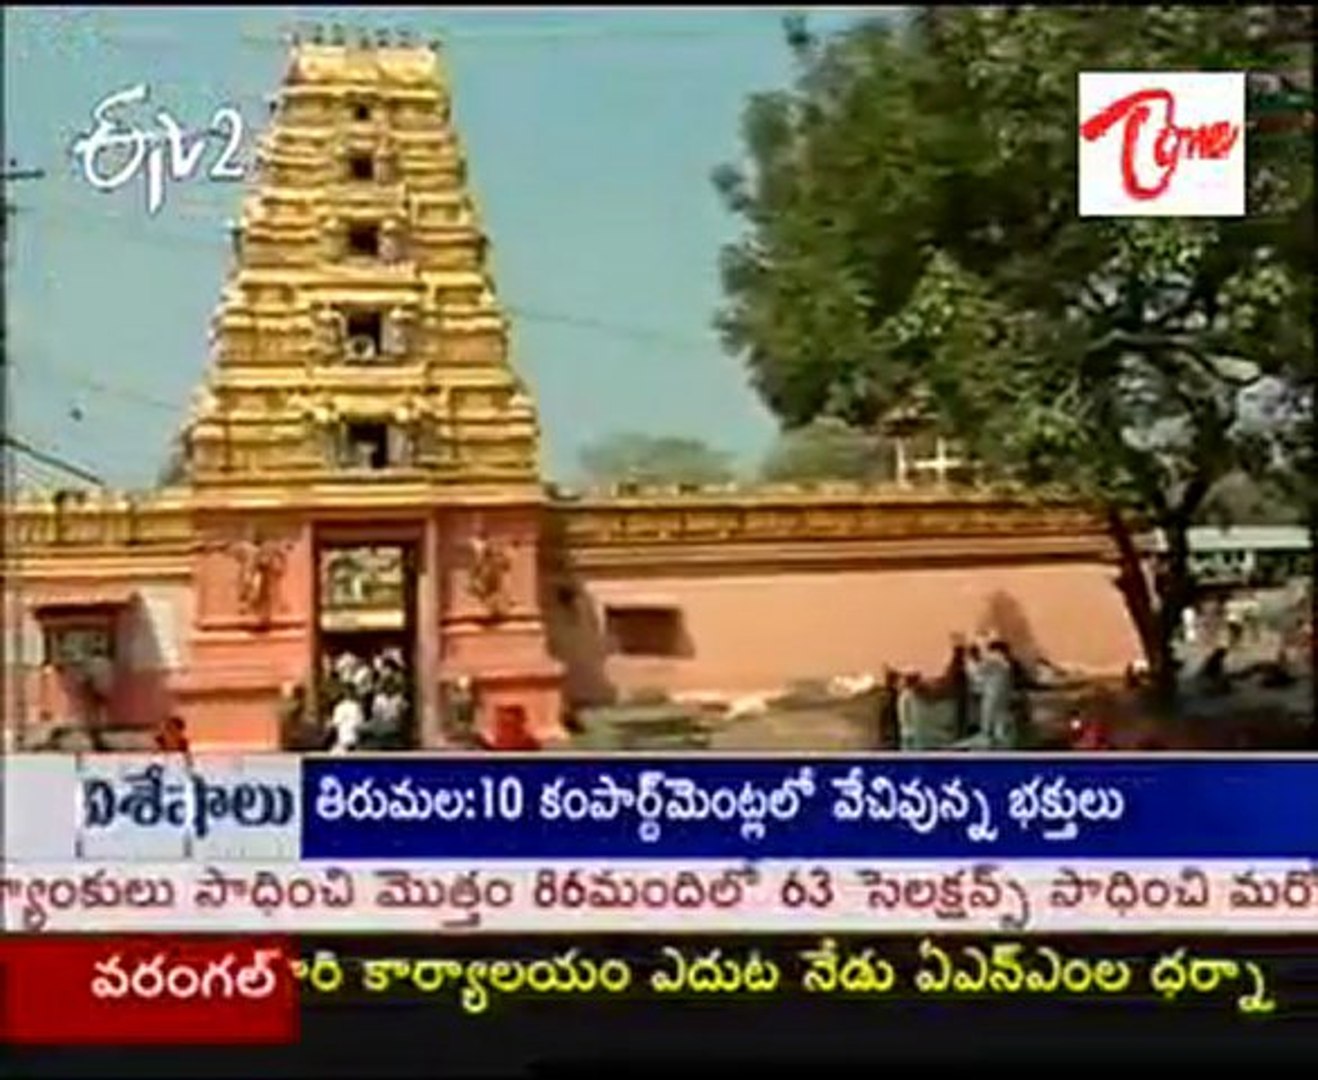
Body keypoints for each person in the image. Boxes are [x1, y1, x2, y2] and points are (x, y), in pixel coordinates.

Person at [979, 641, 1016, 750]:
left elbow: (980, 671)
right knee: (1000, 718)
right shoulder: (1006, 662)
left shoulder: (992, 659)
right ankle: (999, 739)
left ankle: (988, 738)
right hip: (1003, 694)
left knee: (988, 716)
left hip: (991, 693)